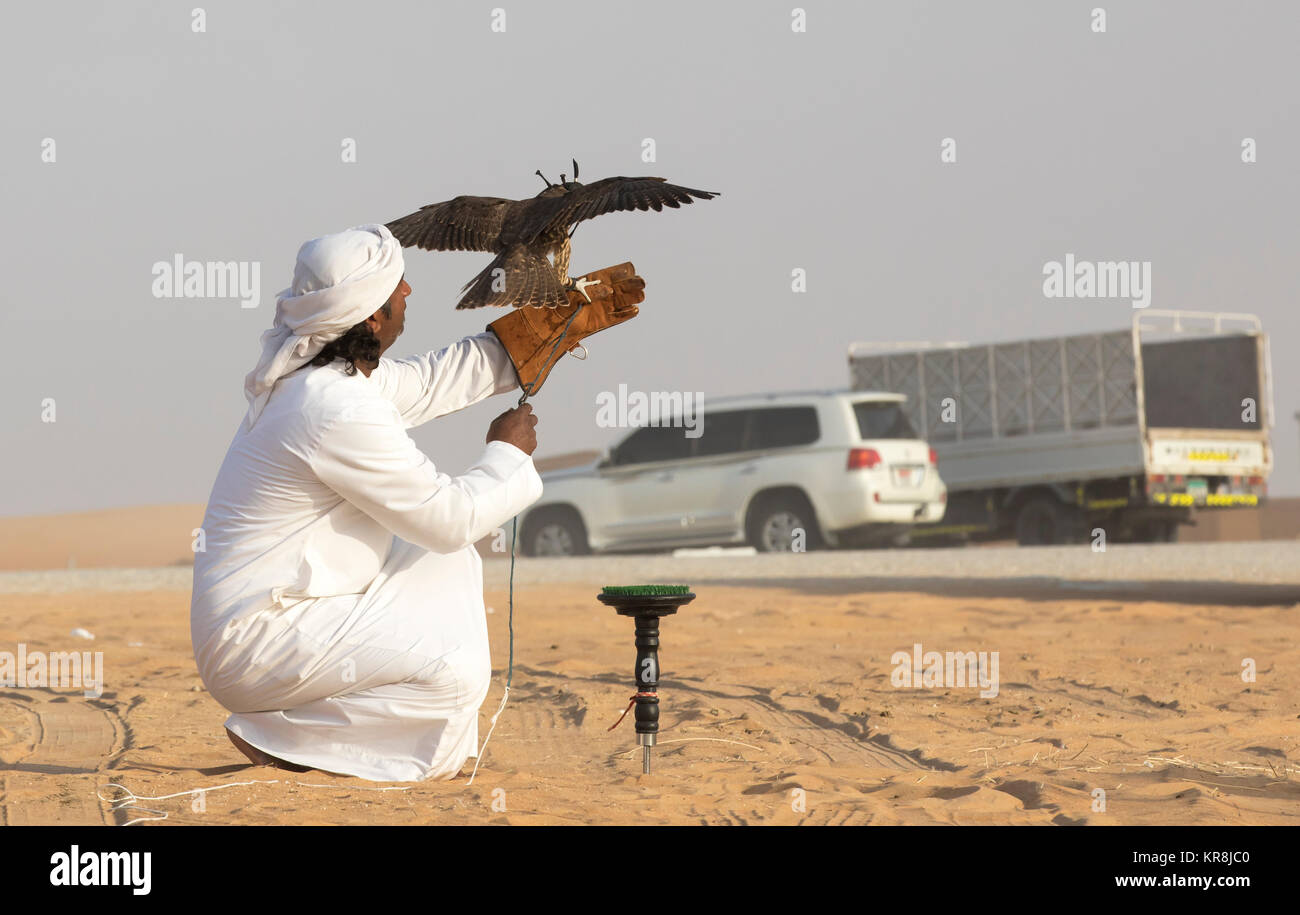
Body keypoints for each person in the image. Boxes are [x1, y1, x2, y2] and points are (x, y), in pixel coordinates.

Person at [190, 224, 642, 780]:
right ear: (372, 317)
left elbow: (430, 382)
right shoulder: (330, 408)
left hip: (281, 616)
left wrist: (539, 333)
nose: (409, 293)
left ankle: (299, 732)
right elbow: (448, 518)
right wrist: (507, 452)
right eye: (398, 286)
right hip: (259, 642)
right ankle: (286, 738)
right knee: (455, 673)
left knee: (446, 566)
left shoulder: (326, 385)